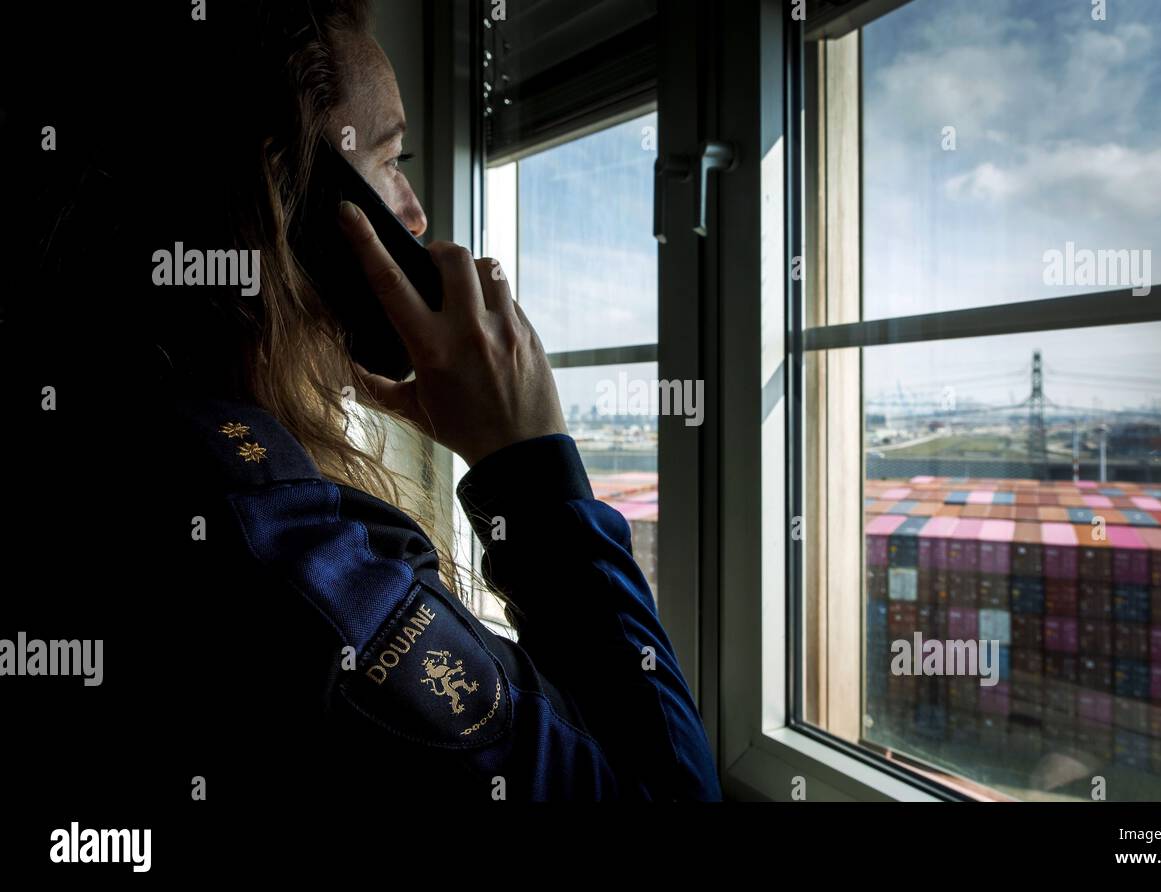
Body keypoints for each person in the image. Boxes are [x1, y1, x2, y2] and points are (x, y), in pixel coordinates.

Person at [36, 0, 721, 803]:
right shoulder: (292, 548)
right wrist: (531, 471)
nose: (417, 215)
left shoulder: (140, 430)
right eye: (391, 160)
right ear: (291, 207)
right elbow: (672, 793)